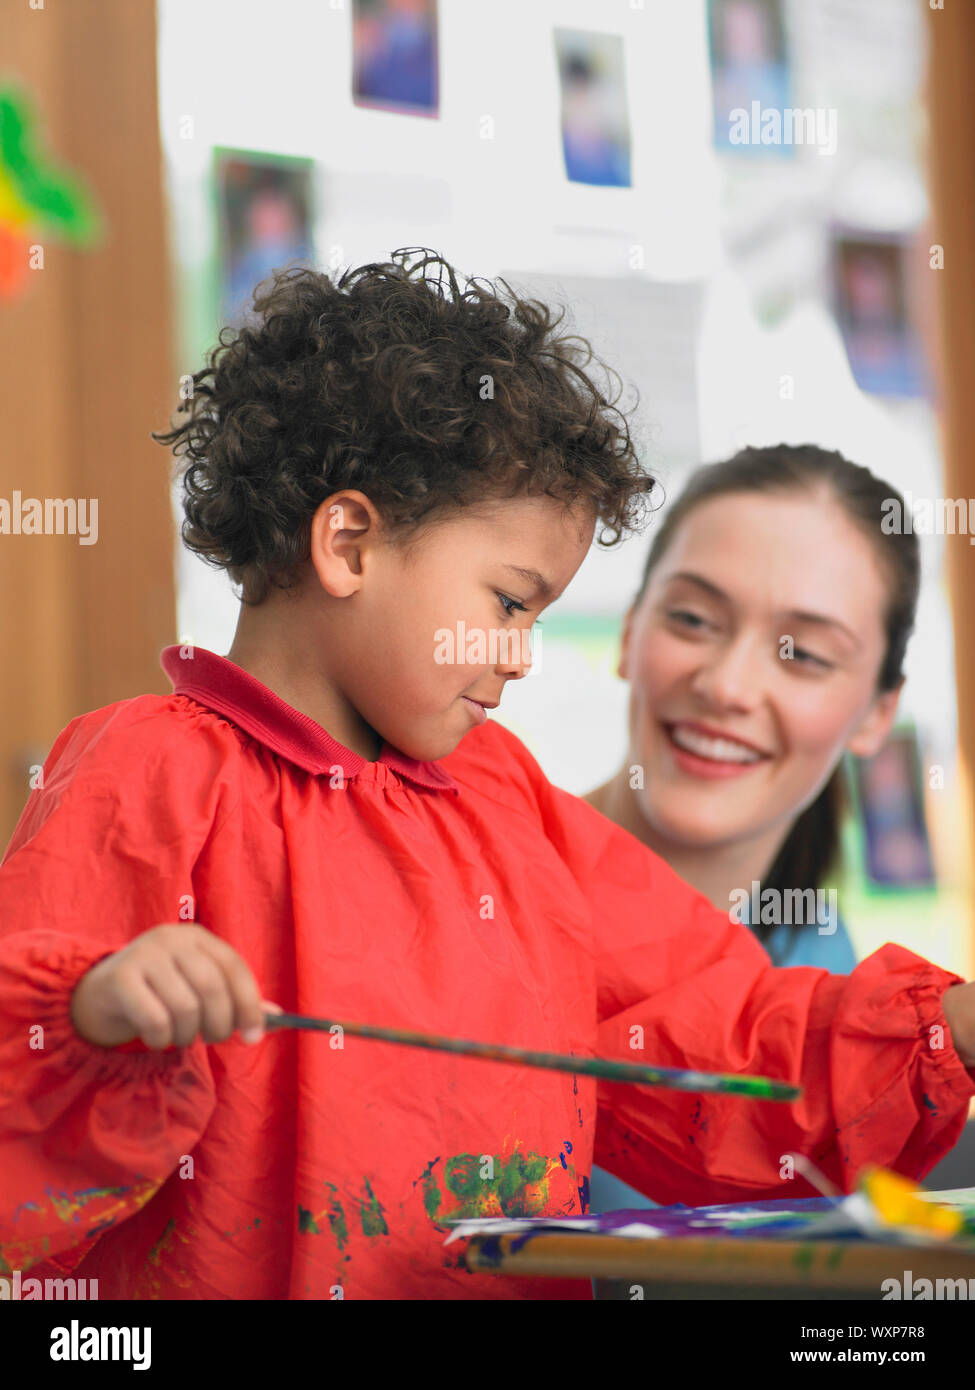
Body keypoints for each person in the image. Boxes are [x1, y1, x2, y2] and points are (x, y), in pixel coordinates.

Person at [2, 252, 975, 1302]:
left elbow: (717, 1038)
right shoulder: (146, 767)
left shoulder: (501, 793)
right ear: (349, 541)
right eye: (510, 602)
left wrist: (946, 1029)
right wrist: (97, 1013)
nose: (522, 653)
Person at [585, 444, 920, 1213]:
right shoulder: (475, 894)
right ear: (629, 633)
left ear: (876, 713)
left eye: (801, 654)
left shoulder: (826, 973)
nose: (727, 685)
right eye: (692, 619)